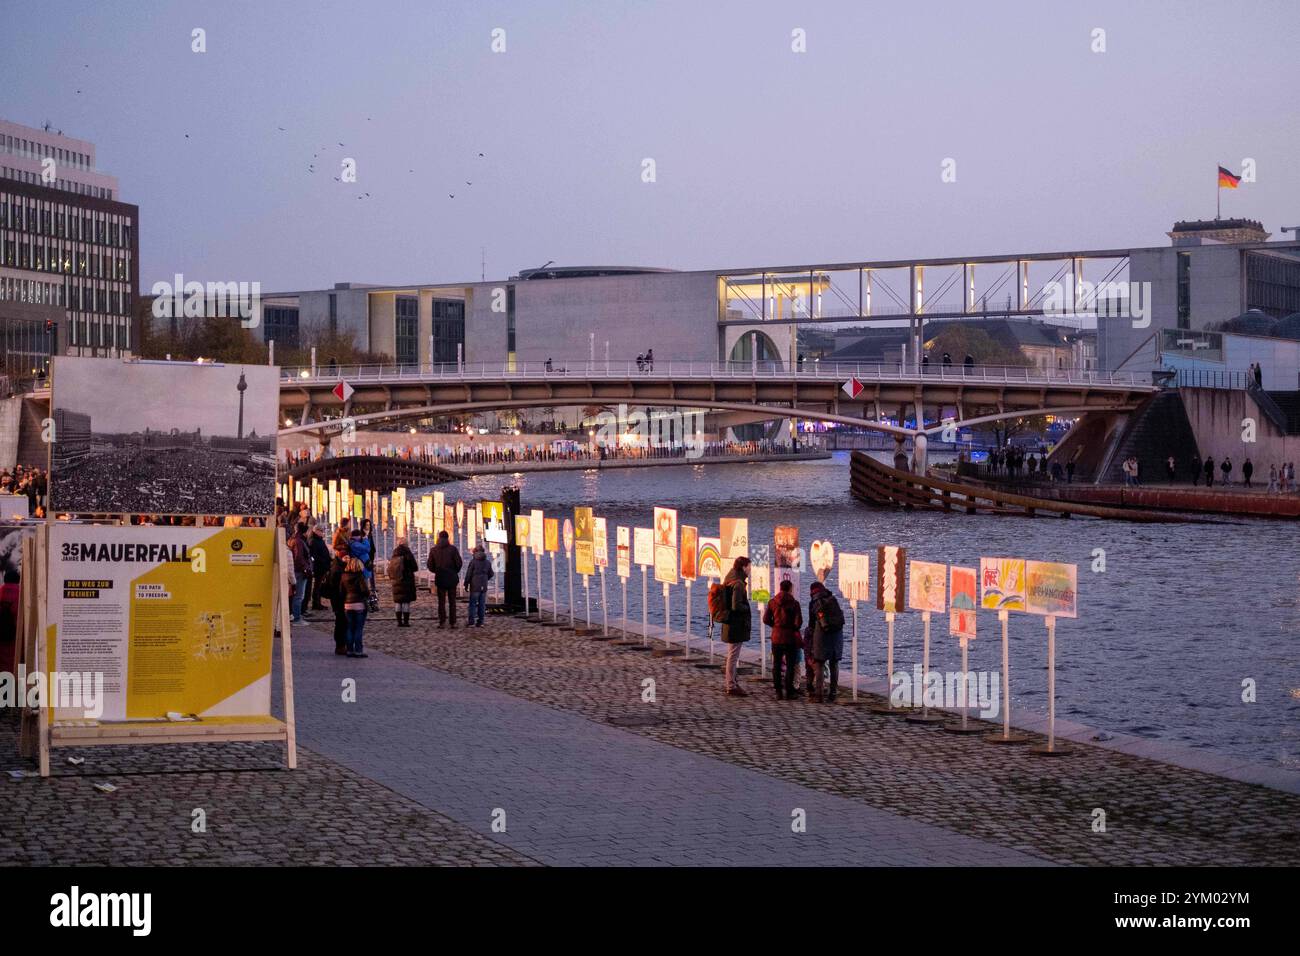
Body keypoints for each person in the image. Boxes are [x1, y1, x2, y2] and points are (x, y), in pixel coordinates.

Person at [761, 579, 802, 700]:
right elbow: (798, 622)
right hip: (789, 638)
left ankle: (778, 690)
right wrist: (793, 627)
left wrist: (775, 625)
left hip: (776, 637)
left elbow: (765, 619)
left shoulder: (772, 602)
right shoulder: (794, 604)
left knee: (776, 664)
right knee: (790, 665)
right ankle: (789, 691)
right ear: (790, 589)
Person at [808, 581, 846, 703]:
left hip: (822, 635)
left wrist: (810, 639)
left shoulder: (814, 602)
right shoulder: (832, 599)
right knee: (834, 663)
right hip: (836, 635)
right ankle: (833, 693)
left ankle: (819, 694)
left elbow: (811, 623)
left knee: (819, 663)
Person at [719, 557, 752, 697]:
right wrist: (747, 607)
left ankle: (732, 682)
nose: (750, 570)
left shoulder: (730, 578)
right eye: (749, 567)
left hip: (730, 624)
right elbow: (736, 605)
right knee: (733, 655)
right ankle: (731, 685)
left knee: (732, 654)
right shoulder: (738, 584)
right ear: (744, 567)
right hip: (735, 625)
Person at [428, 530, 463, 628]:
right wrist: (454, 571)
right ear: (448, 538)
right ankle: (453, 622)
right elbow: (459, 563)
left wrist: (437, 571)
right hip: (452, 578)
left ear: (439, 538)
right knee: (452, 602)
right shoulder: (453, 549)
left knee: (441, 601)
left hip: (440, 578)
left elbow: (430, 565)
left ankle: (442, 621)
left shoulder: (434, 550)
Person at [322, 542, 350, 655]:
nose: (347, 559)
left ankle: (342, 644)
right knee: (341, 623)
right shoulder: (337, 569)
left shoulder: (337, 565)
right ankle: (340, 645)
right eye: (346, 557)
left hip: (340, 599)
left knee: (342, 622)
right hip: (339, 600)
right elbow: (336, 587)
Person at [341, 556, 370, 658]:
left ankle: (349, 650)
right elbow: (365, 591)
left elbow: (341, 591)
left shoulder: (343, 576)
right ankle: (358, 650)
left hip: (347, 604)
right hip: (359, 604)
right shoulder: (360, 577)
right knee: (358, 629)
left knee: (349, 628)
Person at [387, 536, 418, 626]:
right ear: (406, 544)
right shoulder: (408, 553)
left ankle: (399, 622)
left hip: (396, 580)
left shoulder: (394, 554)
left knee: (398, 601)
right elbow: (415, 567)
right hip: (407, 580)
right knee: (405, 602)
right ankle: (406, 622)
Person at [464, 545, 495, 627]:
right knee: (482, 604)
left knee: (473, 604)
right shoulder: (487, 562)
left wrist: (466, 584)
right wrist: (485, 579)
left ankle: (471, 622)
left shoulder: (473, 562)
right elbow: (491, 573)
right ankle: (481, 622)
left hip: (474, 586)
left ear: (475, 552)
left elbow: (468, 574)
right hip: (483, 586)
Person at [287, 522, 312, 623]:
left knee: (296, 595)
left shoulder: (295, 539)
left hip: (298, 570)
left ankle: (296, 615)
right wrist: (305, 568)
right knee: (299, 595)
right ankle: (297, 617)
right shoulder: (298, 541)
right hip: (300, 571)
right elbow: (299, 558)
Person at [307, 521, 332, 610]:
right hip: (319, 566)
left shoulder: (318, 539)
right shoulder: (314, 540)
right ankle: (316, 603)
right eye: (321, 531)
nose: (323, 533)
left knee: (319, 585)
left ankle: (318, 602)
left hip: (323, 565)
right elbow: (314, 555)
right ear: (316, 531)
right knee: (317, 585)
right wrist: (323, 561)